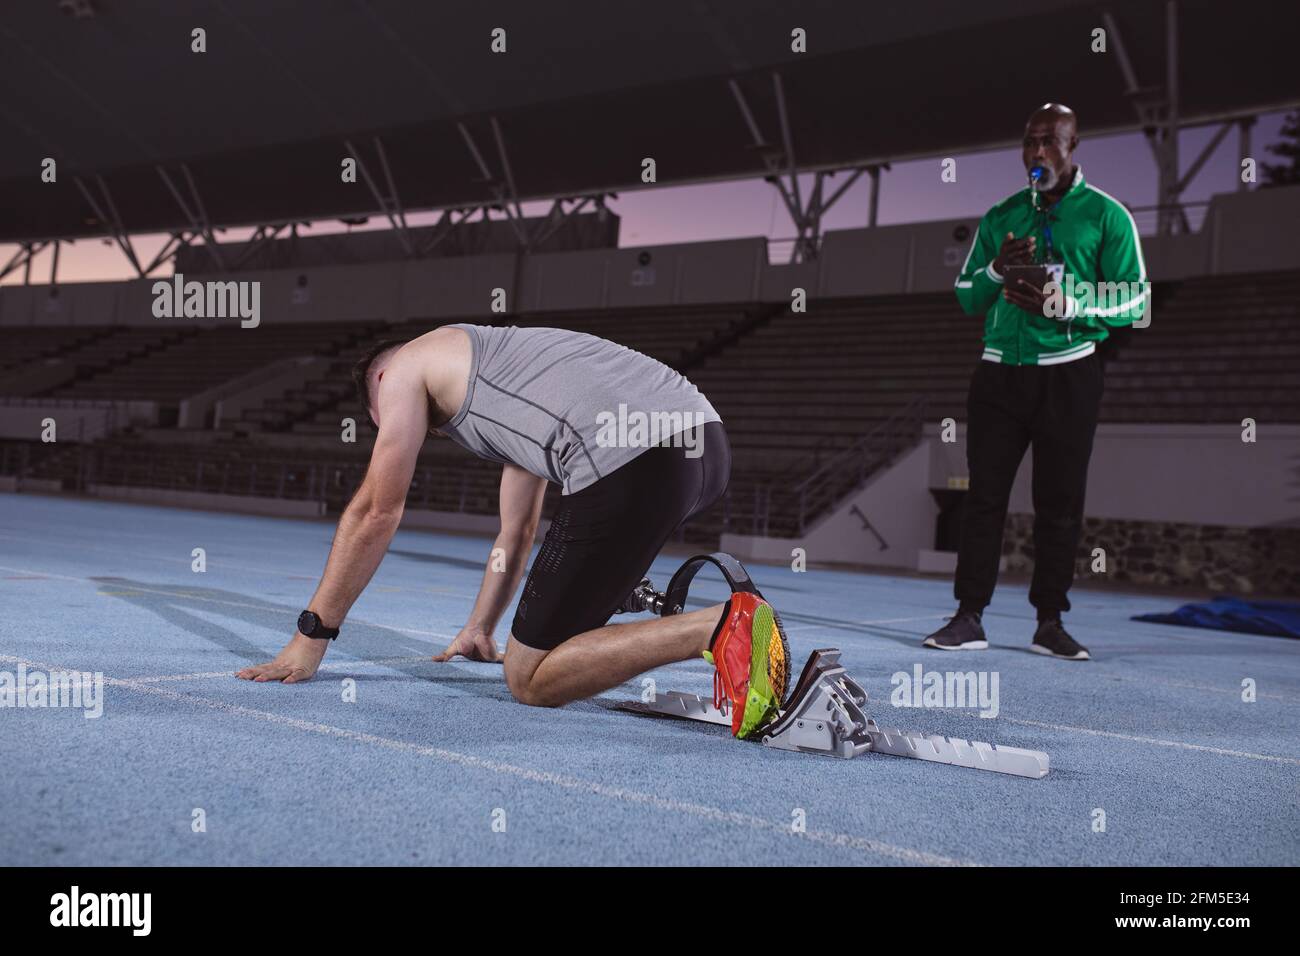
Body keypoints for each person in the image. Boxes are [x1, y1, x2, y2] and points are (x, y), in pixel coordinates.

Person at [235, 323, 788, 738]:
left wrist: (311, 636)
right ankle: (720, 628)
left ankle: (717, 626)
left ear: (380, 383)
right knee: (560, 618)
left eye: (380, 420)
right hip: (704, 446)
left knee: (530, 677)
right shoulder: (506, 374)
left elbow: (376, 511)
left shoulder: (404, 368)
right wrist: (482, 626)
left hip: (631, 459)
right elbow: (516, 533)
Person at [923, 103, 1148, 660]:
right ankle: (969, 616)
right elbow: (966, 295)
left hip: (1069, 373)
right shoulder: (1001, 215)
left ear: (1072, 146)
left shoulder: (1107, 215)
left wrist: (1071, 303)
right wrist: (996, 269)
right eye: (1030, 141)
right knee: (983, 499)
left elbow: (1136, 298)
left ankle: (1050, 621)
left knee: (1059, 504)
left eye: (1050, 140)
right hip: (999, 372)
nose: (1037, 151)